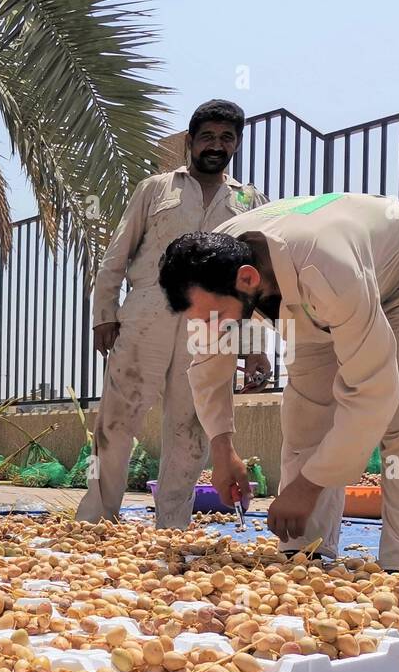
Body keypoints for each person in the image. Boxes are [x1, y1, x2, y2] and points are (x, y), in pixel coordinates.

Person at [158, 192, 399, 570]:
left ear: (247, 279)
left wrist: (308, 486)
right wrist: (223, 450)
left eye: (215, 317)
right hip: (310, 294)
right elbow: (209, 364)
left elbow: (373, 392)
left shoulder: (329, 271)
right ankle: (304, 553)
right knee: (306, 414)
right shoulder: (216, 260)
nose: (212, 328)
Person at [78, 99, 269, 527]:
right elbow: (117, 254)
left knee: (191, 430)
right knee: (117, 420)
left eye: (226, 138)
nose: (216, 146)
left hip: (211, 324)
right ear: (190, 141)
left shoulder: (248, 199)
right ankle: (97, 517)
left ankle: (172, 526)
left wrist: (255, 345)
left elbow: (253, 278)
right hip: (147, 312)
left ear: (236, 143)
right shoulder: (155, 189)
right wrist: (104, 313)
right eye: (207, 137)